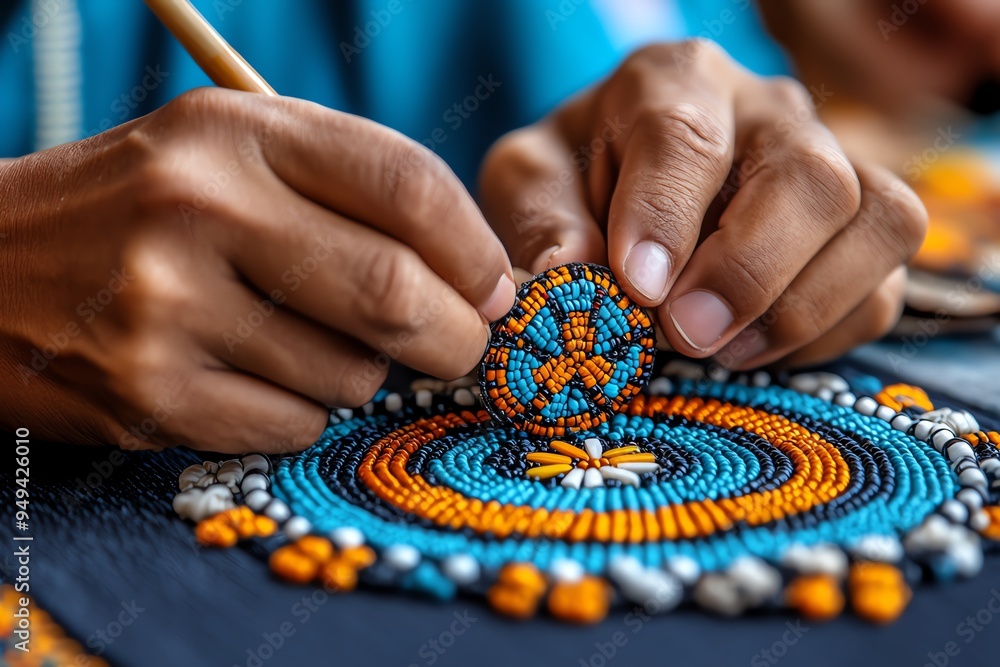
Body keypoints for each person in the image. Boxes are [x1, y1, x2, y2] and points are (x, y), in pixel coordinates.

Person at [7, 0, 974, 453]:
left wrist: (712, 187)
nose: (980, 11)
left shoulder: (719, 29)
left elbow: (628, 80)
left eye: (981, 80)